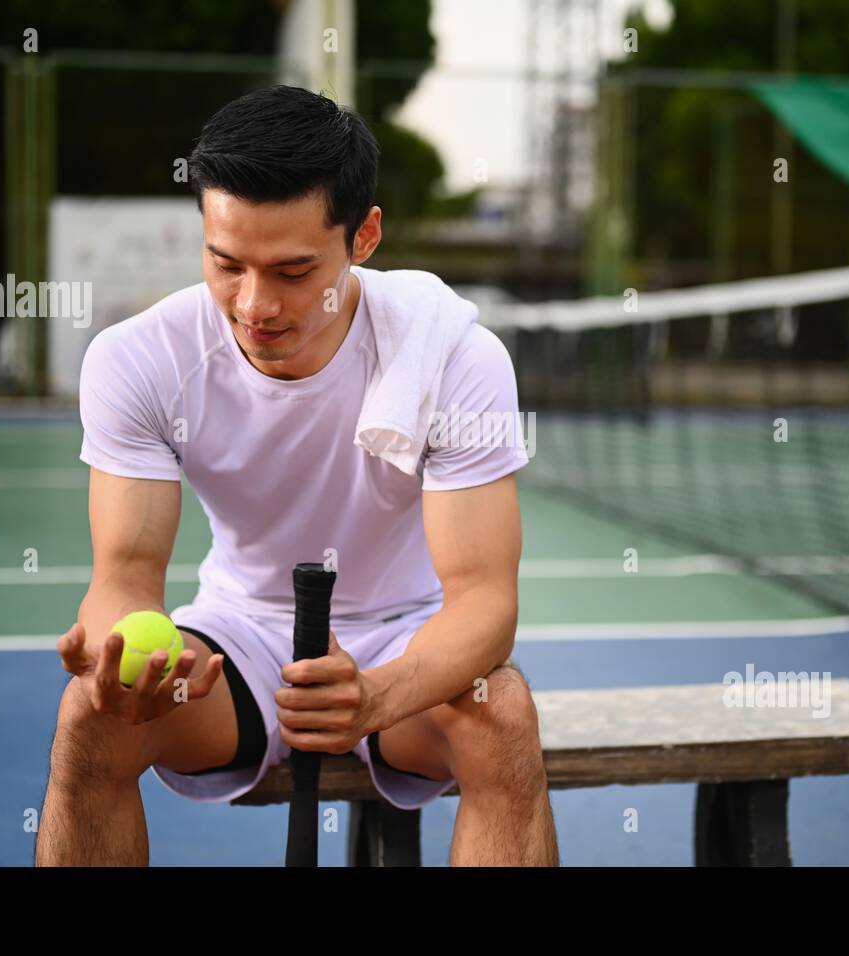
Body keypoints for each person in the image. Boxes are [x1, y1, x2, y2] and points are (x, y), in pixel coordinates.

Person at [33, 85, 556, 867]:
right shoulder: (138, 360)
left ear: (366, 236)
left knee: (503, 715)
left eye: (292, 270)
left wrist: (377, 694)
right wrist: (120, 657)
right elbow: (125, 579)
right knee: (88, 720)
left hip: (407, 638)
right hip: (236, 636)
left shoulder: (455, 357)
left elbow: (486, 603)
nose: (255, 304)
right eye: (226, 263)